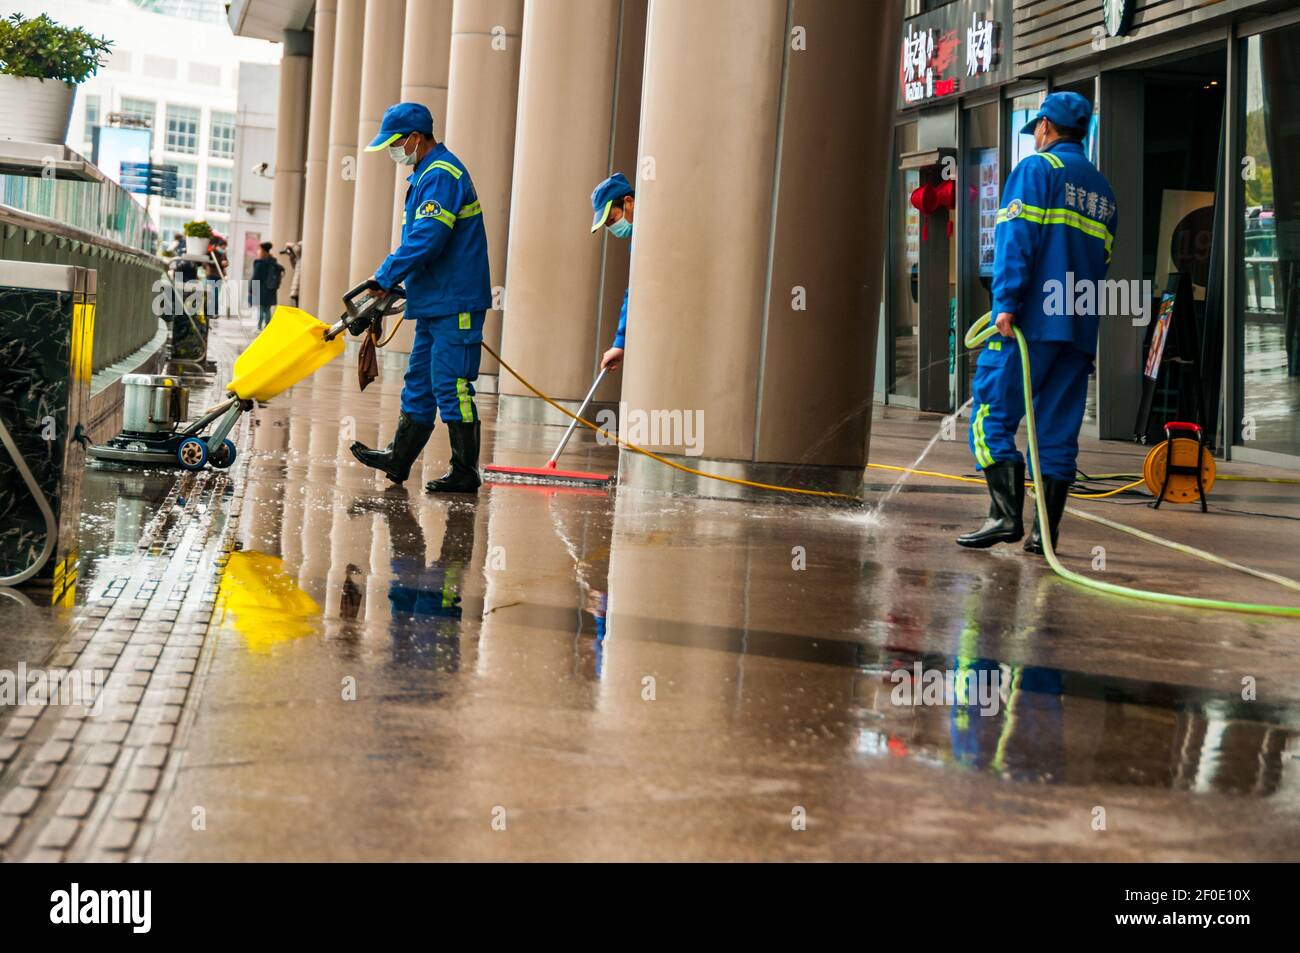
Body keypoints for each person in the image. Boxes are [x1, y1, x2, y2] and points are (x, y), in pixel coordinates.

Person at [957, 91, 1118, 555]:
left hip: (1028, 325)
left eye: (1037, 130)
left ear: (1045, 127)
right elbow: (1102, 260)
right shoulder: (1102, 190)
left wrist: (1005, 302)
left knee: (991, 415)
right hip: (1079, 328)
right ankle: (1045, 533)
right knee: (1056, 431)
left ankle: (1003, 516)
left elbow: (1016, 239)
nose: (1036, 138)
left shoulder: (1036, 170)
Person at [349, 102, 492, 493]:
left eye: (396, 143)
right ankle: (399, 460)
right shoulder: (424, 175)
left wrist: (385, 275)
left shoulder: (441, 174)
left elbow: (428, 238)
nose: (394, 151)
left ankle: (465, 470)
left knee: (451, 384)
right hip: (433, 300)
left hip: (456, 300)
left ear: (415, 137)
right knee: (420, 383)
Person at [590, 172, 634, 371]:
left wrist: (620, 341)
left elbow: (635, 292)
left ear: (628, 202)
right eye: (608, 225)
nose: (613, 227)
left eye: (612, 218)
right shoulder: (637, 241)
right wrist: (619, 342)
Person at [249, 241, 283, 329]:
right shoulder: (273, 262)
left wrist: (251, 290)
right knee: (267, 309)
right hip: (271, 289)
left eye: (259, 250)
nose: (258, 252)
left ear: (263, 251)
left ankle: (259, 327)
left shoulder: (260, 263)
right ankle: (268, 327)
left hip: (261, 288)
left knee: (261, 308)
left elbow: (255, 277)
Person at [280, 240, 302, 308]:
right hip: (297, 286)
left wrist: (289, 244)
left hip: (299, 285)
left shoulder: (301, 252)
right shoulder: (299, 259)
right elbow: (294, 266)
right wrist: (291, 256)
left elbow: (297, 250)